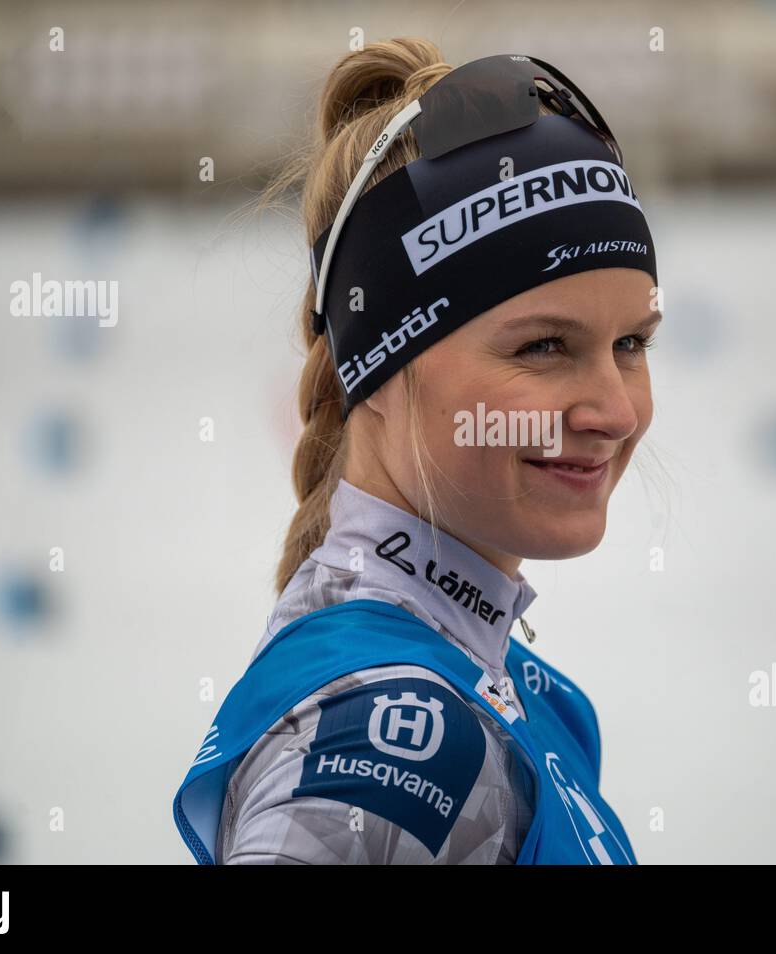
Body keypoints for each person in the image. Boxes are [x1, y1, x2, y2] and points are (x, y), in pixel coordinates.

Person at [173, 38, 659, 864]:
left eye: (632, 344)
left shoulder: (511, 692)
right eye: (543, 347)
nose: (614, 410)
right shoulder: (390, 744)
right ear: (382, 363)